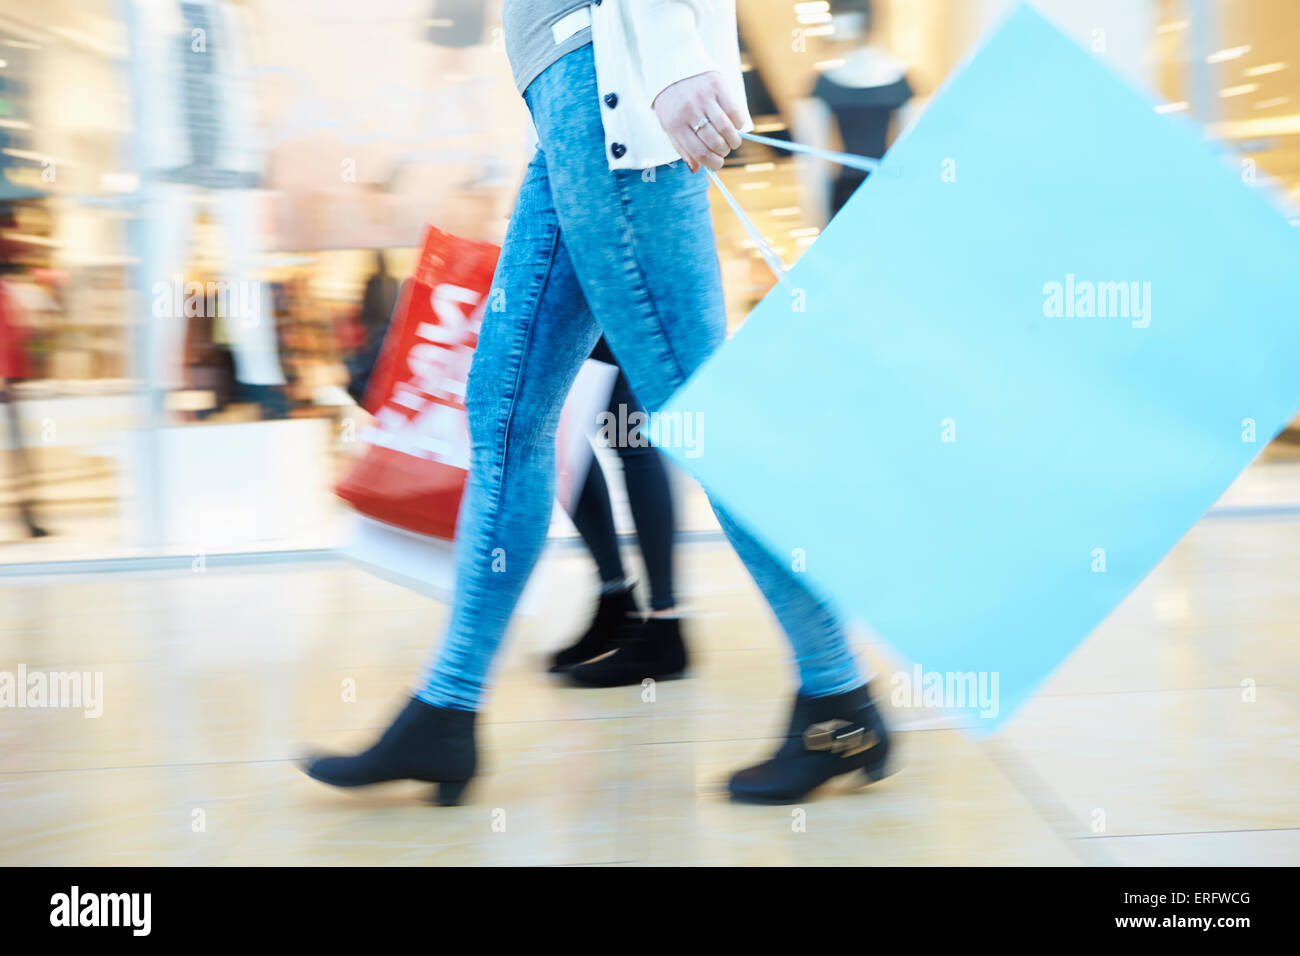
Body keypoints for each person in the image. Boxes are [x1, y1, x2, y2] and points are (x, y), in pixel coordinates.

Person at [304, 0, 890, 805]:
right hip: (565, 94)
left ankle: (838, 699)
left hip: (606, 75)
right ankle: (446, 711)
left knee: (696, 409)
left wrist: (674, 55)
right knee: (505, 414)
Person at [549, 336, 686, 686]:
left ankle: (663, 623)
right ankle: (620, 603)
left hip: (596, 282)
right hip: (571, 282)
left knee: (625, 430)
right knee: (558, 427)